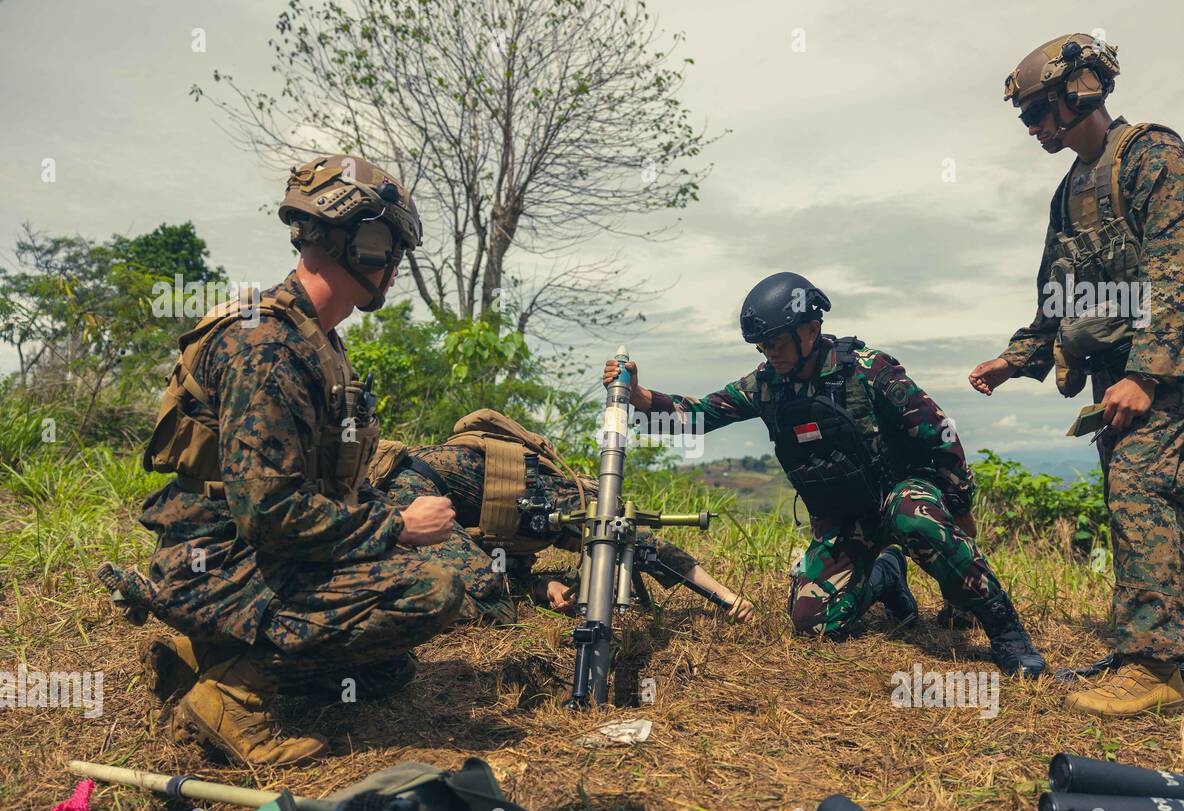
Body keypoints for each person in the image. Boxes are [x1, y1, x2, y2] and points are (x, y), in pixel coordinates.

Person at [127, 154, 498, 766]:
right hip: (220, 561)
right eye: (389, 247)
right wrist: (398, 529)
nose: (395, 266)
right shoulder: (268, 347)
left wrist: (388, 512)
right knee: (430, 593)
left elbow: (321, 481)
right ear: (354, 242)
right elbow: (268, 512)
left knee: (384, 672)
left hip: (247, 555)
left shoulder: (315, 338)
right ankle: (231, 694)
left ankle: (204, 659)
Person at [968, 34, 1184, 715]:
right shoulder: (1071, 193)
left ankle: (1155, 669)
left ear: (1076, 96)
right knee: (1153, 497)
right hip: (1121, 382)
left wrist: (1147, 375)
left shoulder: (1155, 158)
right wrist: (1016, 359)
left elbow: (1183, 276)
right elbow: (1058, 300)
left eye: (1036, 112)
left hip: (1179, 373)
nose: (1031, 128)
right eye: (1025, 117)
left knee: (1140, 490)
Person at [604, 272, 1045, 675]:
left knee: (913, 516)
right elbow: (696, 416)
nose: (768, 352)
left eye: (774, 342)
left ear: (810, 330)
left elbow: (941, 438)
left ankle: (1005, 630)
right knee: (812, 623)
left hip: (902, 494)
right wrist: (641, 395)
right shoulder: (765, 384)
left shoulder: (871, 370)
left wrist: (961, 512)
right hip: (844, 516)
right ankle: (886, 575)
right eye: (761, 345)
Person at [368, 428, 755, 622]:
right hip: (416, 490)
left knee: (485, 588)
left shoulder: (540, 508)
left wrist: (726, 598)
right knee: (484, 599)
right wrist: (725, 597)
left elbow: (637, 541)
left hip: (425, 490)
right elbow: (487, 575)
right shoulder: (548, 504)